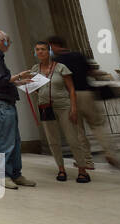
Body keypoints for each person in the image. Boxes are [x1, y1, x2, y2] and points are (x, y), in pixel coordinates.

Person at [48, 35, 120, 172]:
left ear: (54, 45)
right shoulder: (78, 55)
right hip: (87, 93)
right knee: (98, 126)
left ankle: (87, 161)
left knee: (78, 130)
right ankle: (110, 153)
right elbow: (91, 71)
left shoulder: (56, 61)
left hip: (70, 97)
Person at [20, 40, 91, 182]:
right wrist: (28, 85)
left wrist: (74, 107)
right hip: (45, 106)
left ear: (49, 52)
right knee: (53, 140)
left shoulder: (61, 67)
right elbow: (36, 89)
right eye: (37, 49)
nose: (40, 52)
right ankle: (61, 169)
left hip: (63, 105)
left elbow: (71, 88)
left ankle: (82, 169)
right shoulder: (35, 69)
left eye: (43, 49)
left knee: (72, 138)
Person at [0, 30, 35, 190]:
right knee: (7, 139)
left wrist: (20, 82)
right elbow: (1, 79)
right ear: (3, 41)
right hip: (0, 103)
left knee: (15, 139)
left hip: (5, 101)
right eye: (8, 42)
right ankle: (4, 175)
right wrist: (18, 76)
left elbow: (2, 81)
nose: (9, 45)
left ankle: (16, 174)